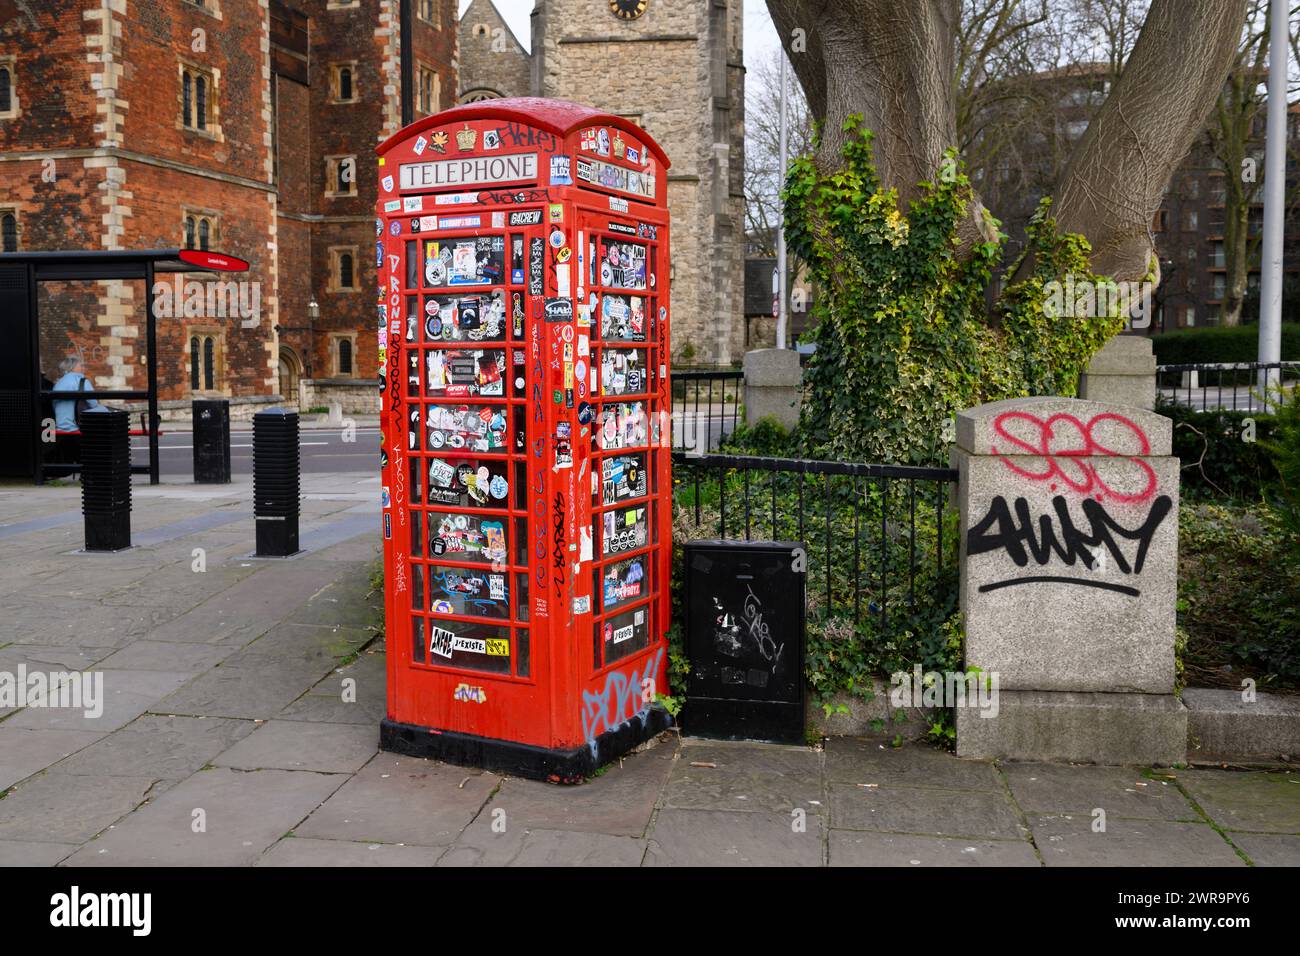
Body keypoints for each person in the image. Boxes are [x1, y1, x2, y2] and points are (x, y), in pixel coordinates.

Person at [51, 355, 100, 433]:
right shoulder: (81, 381)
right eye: (80, 365)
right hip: (76, 428)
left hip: (59, 427)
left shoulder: (58, 383)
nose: (83, 368)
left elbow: (54, 406)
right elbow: (93, 403)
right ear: (73, 367)